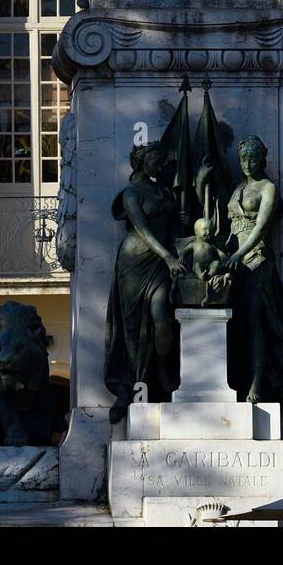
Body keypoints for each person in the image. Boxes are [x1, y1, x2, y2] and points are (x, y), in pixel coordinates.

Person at [104, 141, 184, 422]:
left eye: (162, 159)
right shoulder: (130, 194)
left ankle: (166, 379)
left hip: (161, 264)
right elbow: (142, 227)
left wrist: (181, 246)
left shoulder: (163, 191)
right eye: (155, 158)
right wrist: (168, 257)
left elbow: (172, 229)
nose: (160, 164)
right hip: (135, 262)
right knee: (132, 328)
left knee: (163, 319)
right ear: (141, 160)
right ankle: (132, 387)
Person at [226, 135, 283, 404]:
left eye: (253, 158)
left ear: (262, 158)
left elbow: (261, 227)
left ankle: (256, 383)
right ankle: (238, 380)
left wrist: (239, 253)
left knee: (255, 323)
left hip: (255, 260)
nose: (247, 163)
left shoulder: (268, 188)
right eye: (243, 159)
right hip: (233, 263)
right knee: (237, 324)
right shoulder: (237, 188)